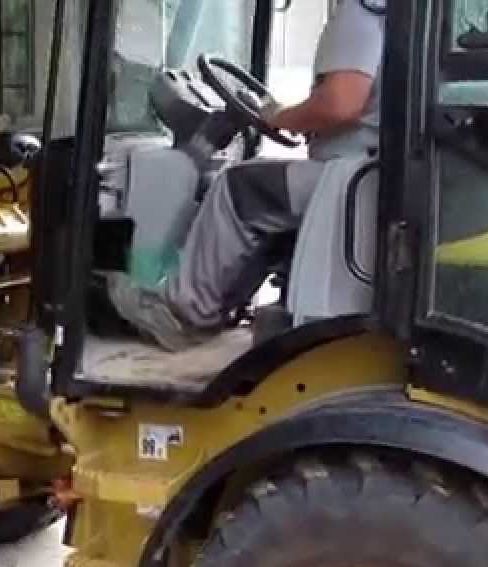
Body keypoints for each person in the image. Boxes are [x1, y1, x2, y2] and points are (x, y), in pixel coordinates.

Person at [108, 0, 386, 351]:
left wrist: (281, 116)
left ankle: (184, 314)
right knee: (262, 190)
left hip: (350, 180)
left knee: (238, 187)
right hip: (363, 174)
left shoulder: (361, 12)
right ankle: (220, 309)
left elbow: (341, 103)